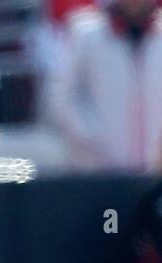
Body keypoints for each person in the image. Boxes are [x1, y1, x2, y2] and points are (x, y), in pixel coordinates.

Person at [46, 0, 162, 174]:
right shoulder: (85, 32)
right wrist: (92, 138)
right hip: (96, 168)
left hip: (153, 172)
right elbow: (61, 97)